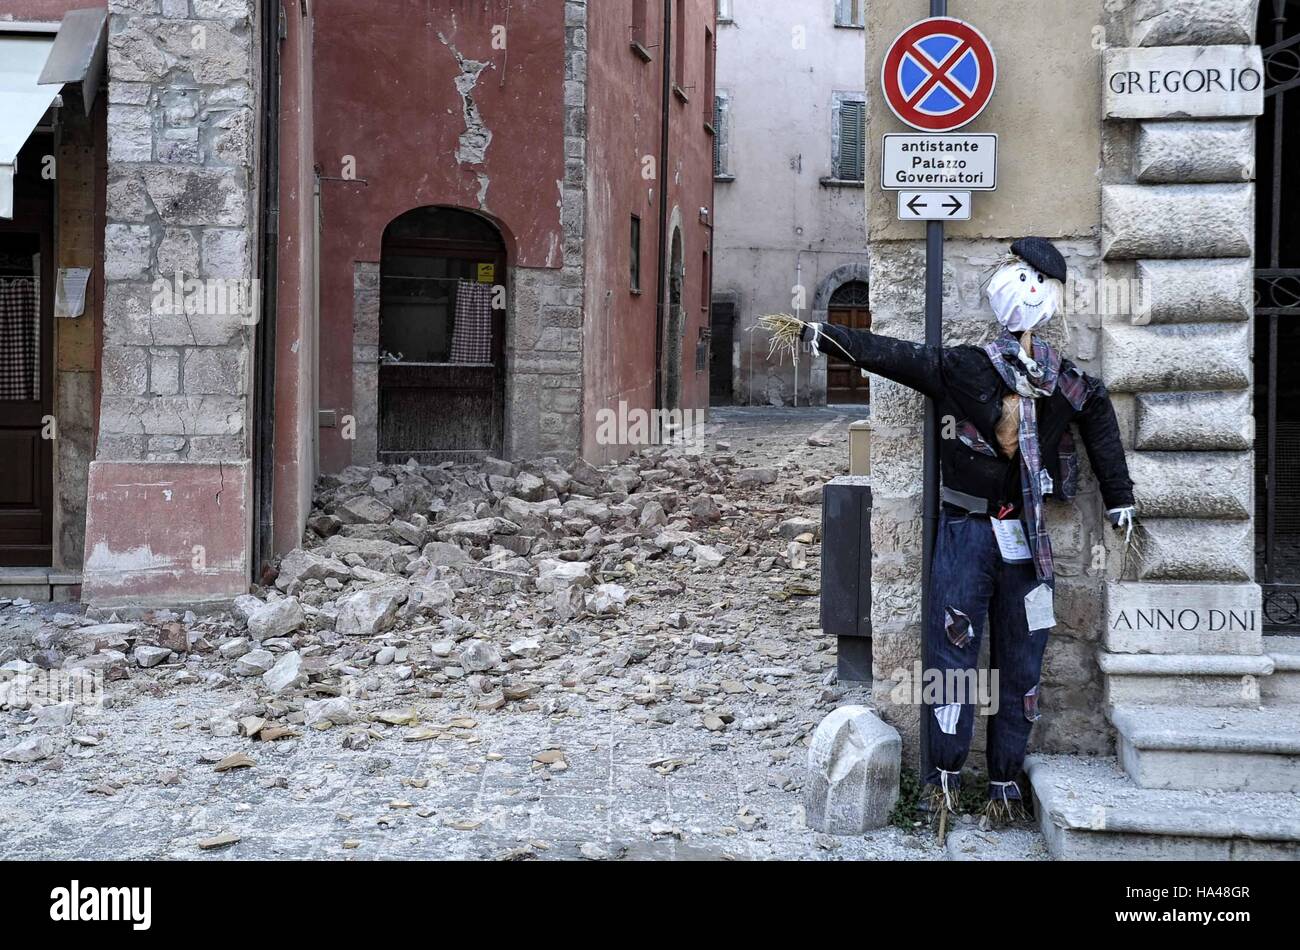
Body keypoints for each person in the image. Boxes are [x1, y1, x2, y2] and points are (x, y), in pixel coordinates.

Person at [798, 237, 1136, 836]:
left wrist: (1120, 498)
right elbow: (895, 355)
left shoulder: (1061, 379)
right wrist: (827, 335)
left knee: (1022, 661)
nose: (1023, 285)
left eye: (1031, 277)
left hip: (1026, 540)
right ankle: (942, 786)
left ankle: (1006, 784)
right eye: (1018, 273)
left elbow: (1101, 422)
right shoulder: (966, 366)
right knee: (951, 662)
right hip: (966, 532)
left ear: (1047, 294)